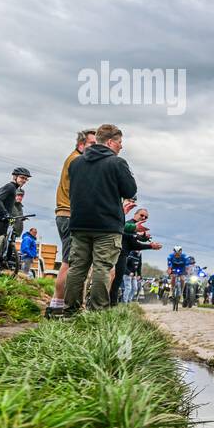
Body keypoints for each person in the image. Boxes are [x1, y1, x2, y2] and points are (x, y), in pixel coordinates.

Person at [63, 124, 138, 314]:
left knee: (77, 268)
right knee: (102, 268)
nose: (121, 146)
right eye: (120, 142)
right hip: (107, 226)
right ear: (111, 142)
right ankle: (97, 312)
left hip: (79, 224)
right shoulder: (117, 163)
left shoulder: (76, 163)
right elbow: (130, 190)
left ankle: (70, 311)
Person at [47, 129, 97, 315]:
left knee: (70, 261)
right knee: (70, 263)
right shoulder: (77, 161)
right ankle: (58, 306)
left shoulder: (74, 158)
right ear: (81, 145)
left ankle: (57, 305)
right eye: (92, 144)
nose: (95, 148)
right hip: (69, 214)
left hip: (65, 213)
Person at [0, 167, 31, 271]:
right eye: (22, 177)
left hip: (3, 219)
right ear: (14, 177)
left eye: (26, 179)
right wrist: (3, 212)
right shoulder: (10, 187)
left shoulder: (11, 188)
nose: (24, 180)